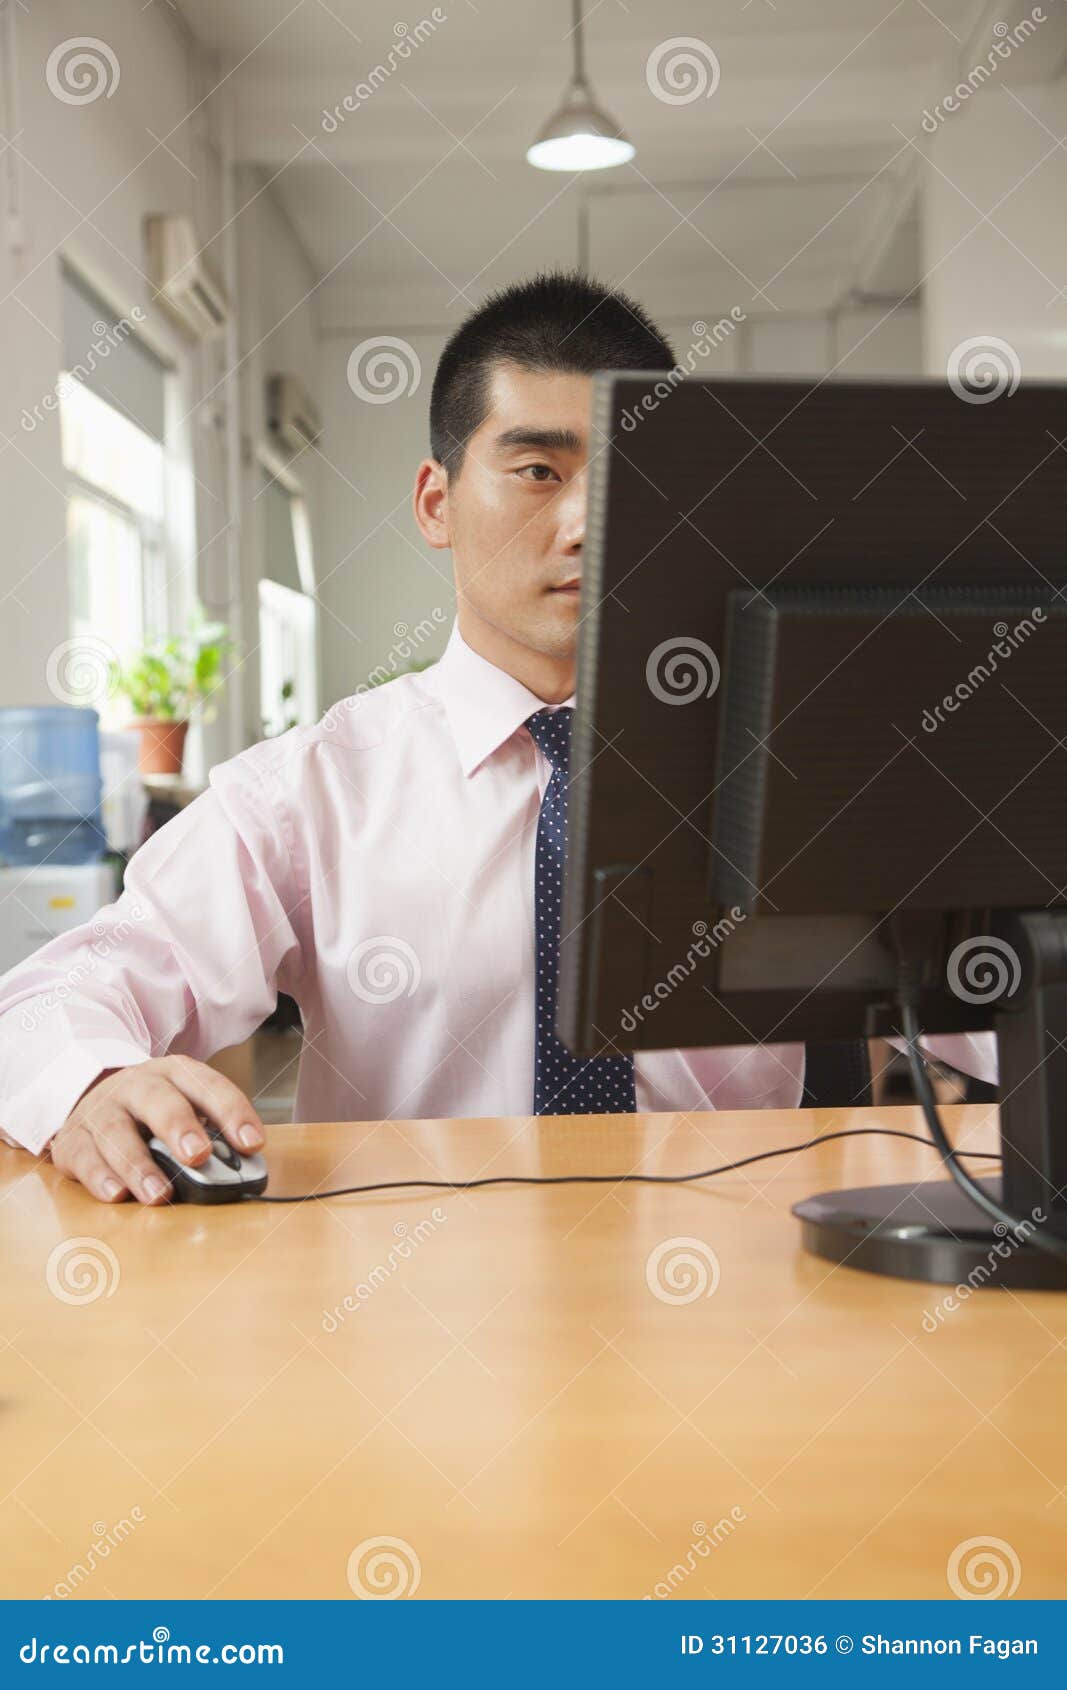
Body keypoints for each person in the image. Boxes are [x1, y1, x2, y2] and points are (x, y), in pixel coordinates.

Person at [0, 271, 995, 1203]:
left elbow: (1008, 1007)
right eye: (534, 469)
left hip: (733, 1302)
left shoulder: (796, 771)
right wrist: (90, 1083)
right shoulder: (310, 792)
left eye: (631, 475)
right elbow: (49, 997)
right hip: (414, 1325)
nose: (584, 523)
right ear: (437, 502)